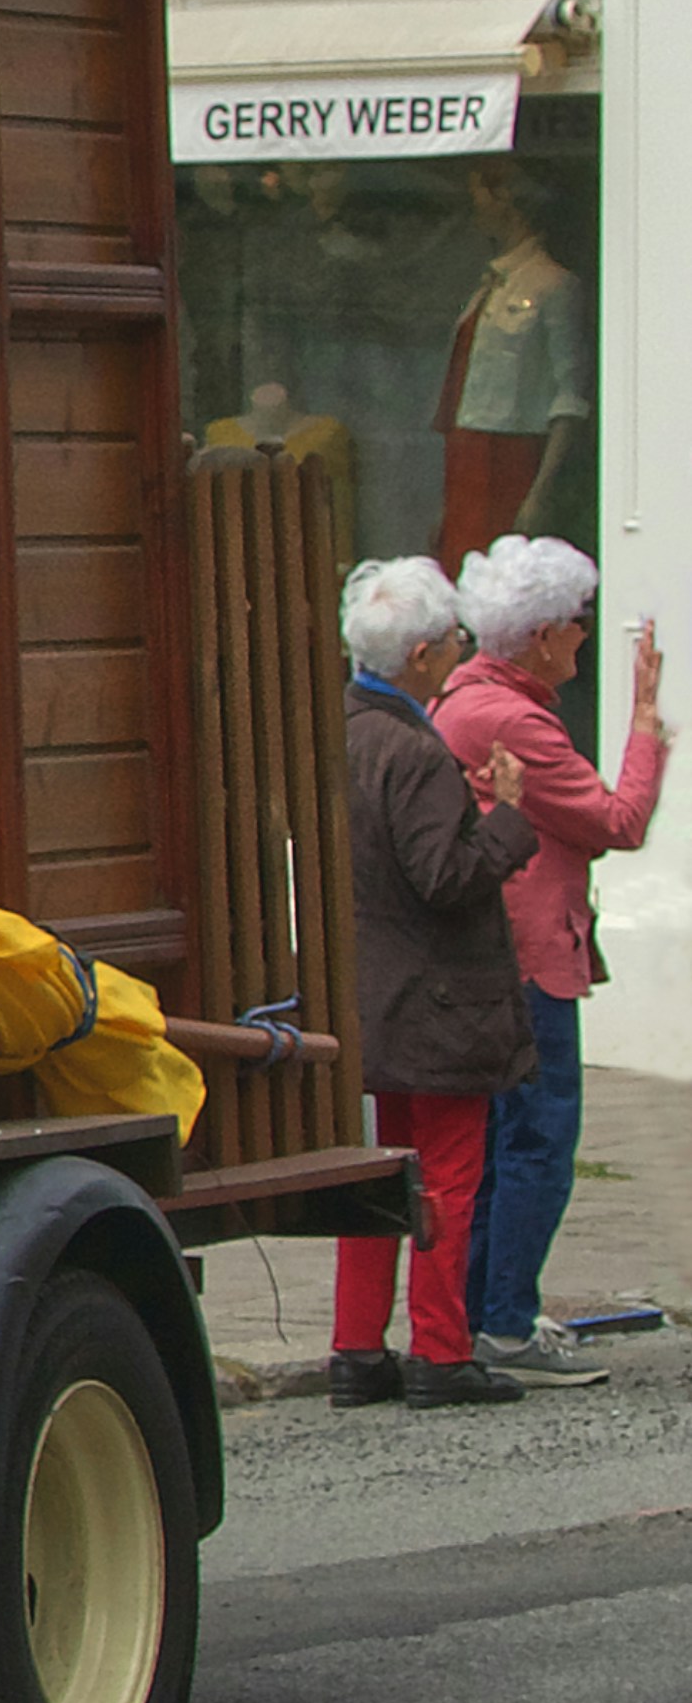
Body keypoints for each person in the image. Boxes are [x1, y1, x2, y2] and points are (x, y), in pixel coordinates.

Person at [433, 536, 665, 1384]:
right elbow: (616, 821)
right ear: (539, 635)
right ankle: (504, 1321)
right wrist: (647, 727)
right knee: (538, 1141)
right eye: (575, 623)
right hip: (532, 958)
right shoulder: (516, 719)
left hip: (489, 954)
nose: (583, 637)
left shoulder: (466, 697)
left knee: (494, 1145)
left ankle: (473, 1316)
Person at [330, 558, 540, 1413]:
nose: (460, 646)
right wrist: (510, 822)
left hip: (365, 994)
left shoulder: (341, 729)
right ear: (421, 654)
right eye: (452, 637)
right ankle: (442, 1352)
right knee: (446, 1178)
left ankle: (355, 1347)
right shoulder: (415, 750)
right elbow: (446, 877)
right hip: (438, 1003)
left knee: (373, 1174)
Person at [431, 158, 588, 564]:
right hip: (467, 454)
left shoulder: (554, 286)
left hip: (512, 457)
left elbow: (570, 396)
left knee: (502, 577)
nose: (474, 207)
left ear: (506, 199)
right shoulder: (487, 285)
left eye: (479, 195)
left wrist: (540, 492)